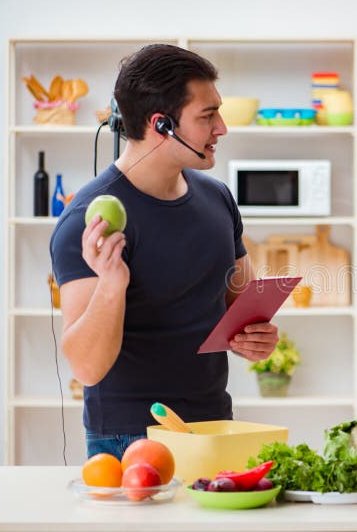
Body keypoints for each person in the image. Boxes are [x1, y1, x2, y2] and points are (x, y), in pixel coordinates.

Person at [50, 44, 279, 459]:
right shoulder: (87, 220)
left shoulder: (218, 198)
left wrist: (254, 336)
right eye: (208, 115)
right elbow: (86, 367)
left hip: (213, 425)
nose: (222, 128)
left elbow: (238, 306)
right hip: (130, 438)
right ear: (162, 125)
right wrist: (111, 284)